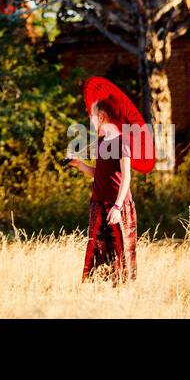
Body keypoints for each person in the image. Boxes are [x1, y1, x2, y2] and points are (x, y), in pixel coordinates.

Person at [68, 98, 138, 283]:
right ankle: (98, 286)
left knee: (120, 250)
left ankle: (123, 288)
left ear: (101, 117)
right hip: (98, 203)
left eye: (92, 116)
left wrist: (117, 206)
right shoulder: (100, 142)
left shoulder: (122, 142)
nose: (90, 120)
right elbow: (98, 174)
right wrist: (80, 165)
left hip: (117, 205)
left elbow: (126, 177)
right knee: (97, 248)